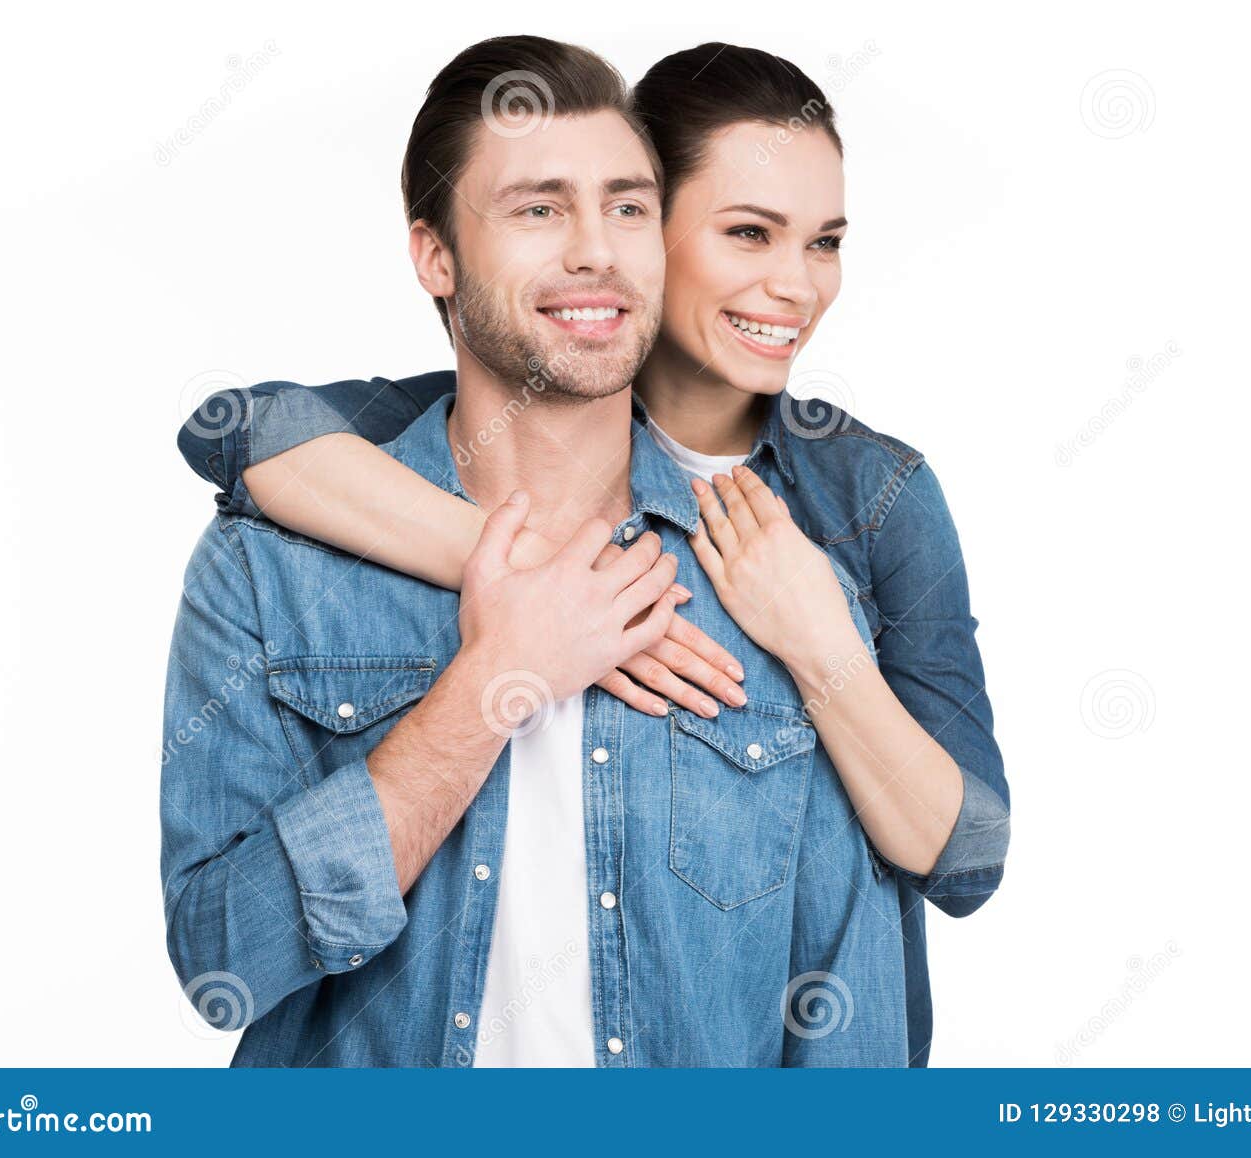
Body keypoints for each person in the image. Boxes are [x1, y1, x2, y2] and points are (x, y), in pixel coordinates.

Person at [177, 40, 1011, 1068]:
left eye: (624, 207)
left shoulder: (820, 536)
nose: (792, 285)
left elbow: (925, 904)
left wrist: (822, 655)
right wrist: (503, 655)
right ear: (436, 255)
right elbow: (223, 959)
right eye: (538, 209)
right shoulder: (286, 547)